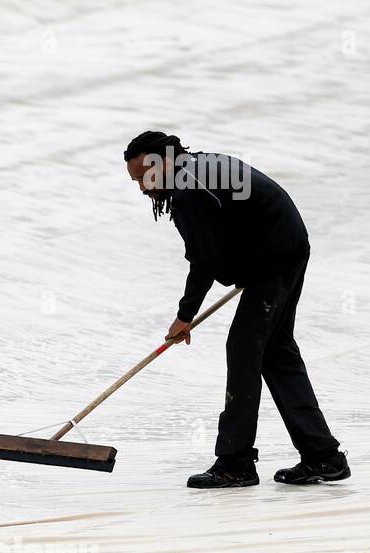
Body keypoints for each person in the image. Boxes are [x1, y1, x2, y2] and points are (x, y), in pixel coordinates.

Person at [123, 131, 346, 488]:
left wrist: (185, 316)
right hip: (285, 248)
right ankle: (323, 456)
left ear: (160, 163)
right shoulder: (194, 168)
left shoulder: (188, 188)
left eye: (143, 178)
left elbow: (204, 260)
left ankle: (235, 462)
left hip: (276, 257)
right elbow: (229, 225)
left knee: (244, 350)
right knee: (275, 352)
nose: (142, 189)